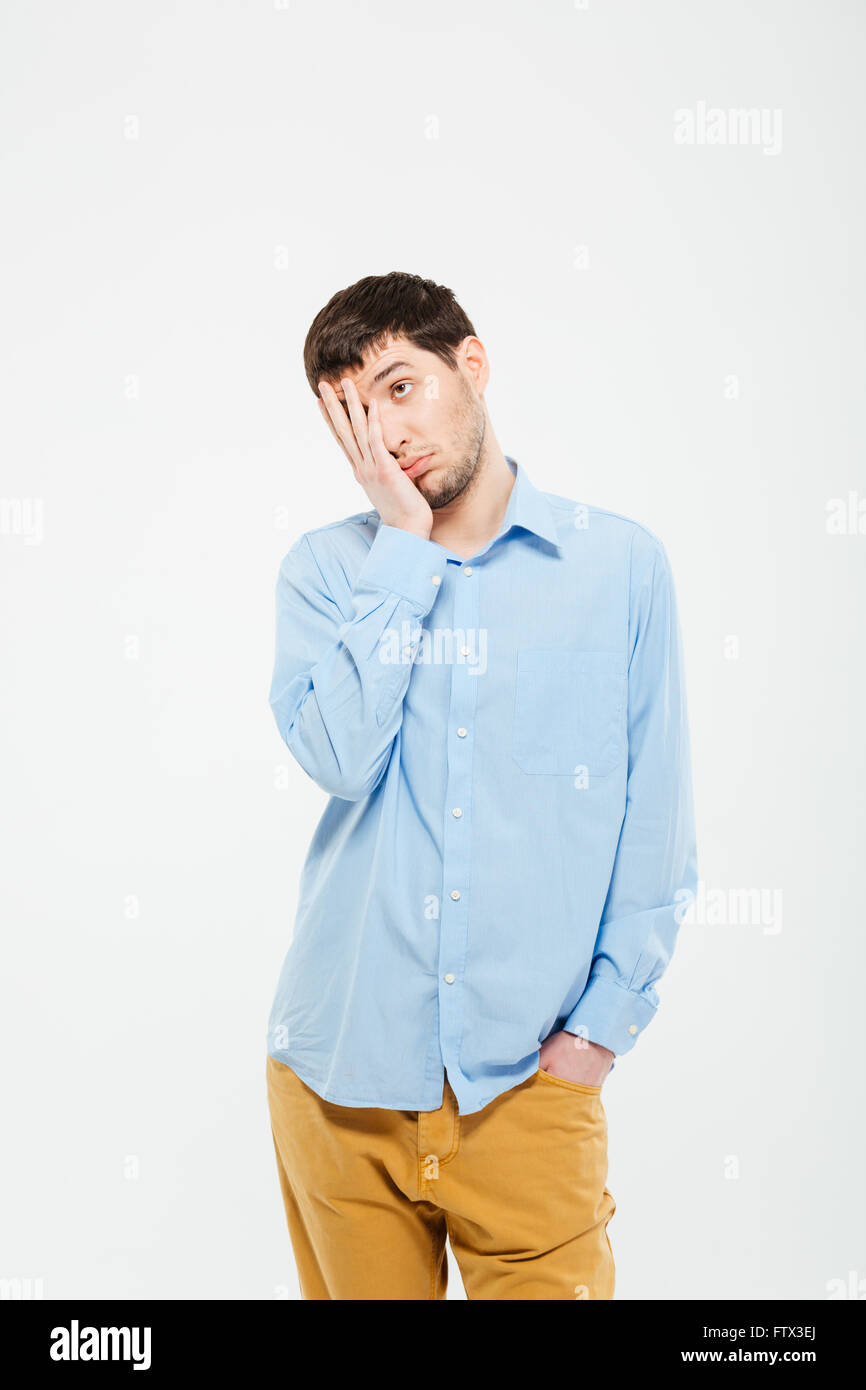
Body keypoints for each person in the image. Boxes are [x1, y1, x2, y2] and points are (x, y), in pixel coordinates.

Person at [265, 270, 698, 1300]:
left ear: (472, 363)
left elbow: (657, 824)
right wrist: (403, 552)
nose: (386, 435)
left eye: (400, 388)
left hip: (527, 1088)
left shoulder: (619, 568)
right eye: (352, 416)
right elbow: (338, 756)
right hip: (338, 1084)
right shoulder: (328, 573)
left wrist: (596, 1033)